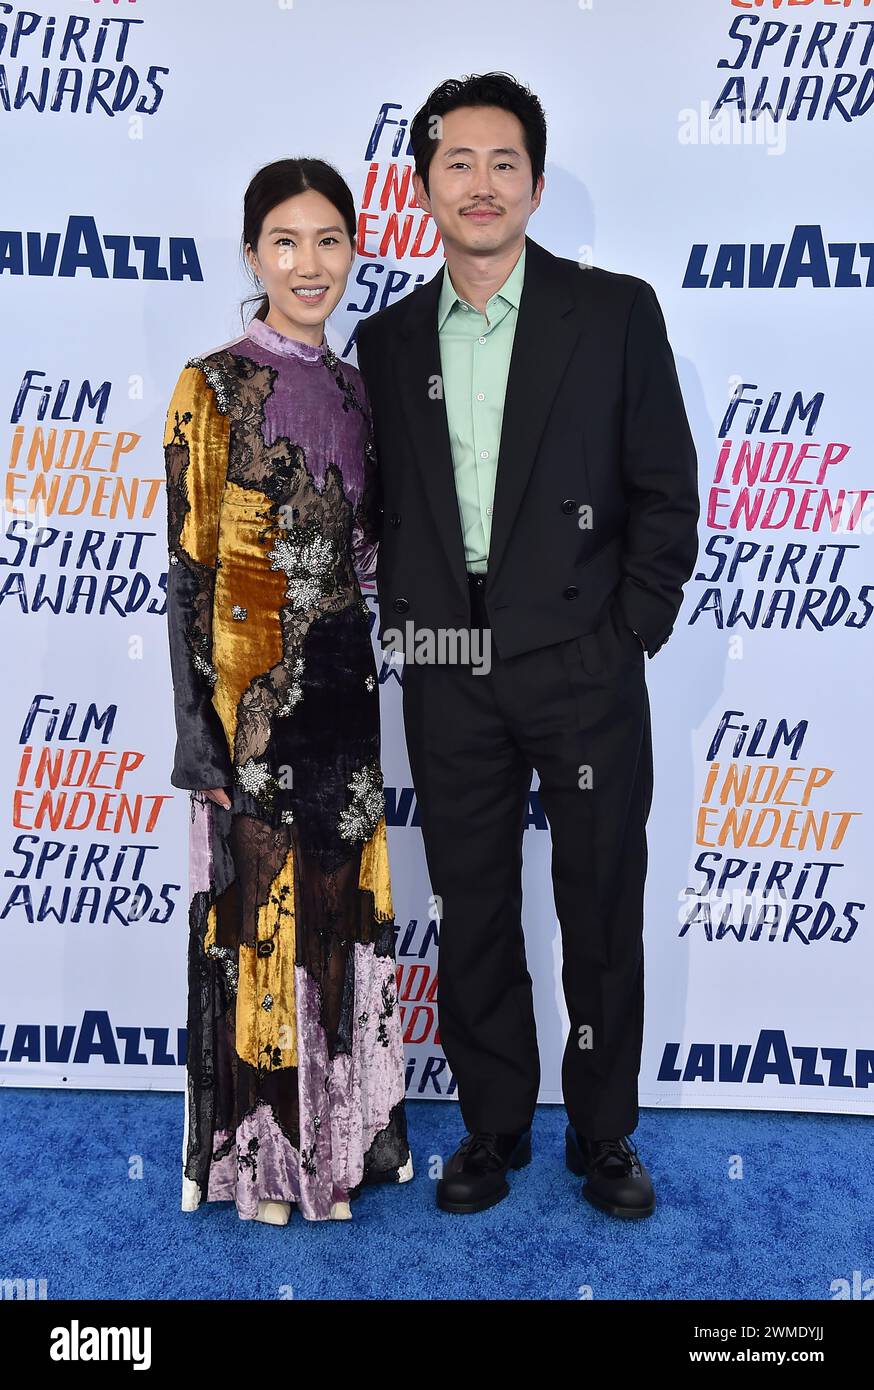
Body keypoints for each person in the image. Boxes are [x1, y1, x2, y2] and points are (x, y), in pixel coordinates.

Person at [355, 73, 699, 1219]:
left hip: (582, 660)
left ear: (536, 185)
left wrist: (627, 634)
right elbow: (387, 508)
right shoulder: (389, 337)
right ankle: (492, 1127)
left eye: (505, 163)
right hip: (451, 665)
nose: (482, 182)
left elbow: (664, 493)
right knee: (473, 903)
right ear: (423, 188)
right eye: (458, 162)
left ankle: (602, 1134)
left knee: (600, 900)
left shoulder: (613, 314)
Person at [163, 157, 412, 1225]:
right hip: (245, 713)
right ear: (252, 254)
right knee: (258, 928)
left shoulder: (360, 390)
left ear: (353, 250)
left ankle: (346, 1138)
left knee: (340, 923)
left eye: (328, 242)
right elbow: (185, 575)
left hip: (345, 705)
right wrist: (198, 745)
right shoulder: (210, 384)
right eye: (284, 242)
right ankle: (264, 1156)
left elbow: (369, 557)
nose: (309, 265)